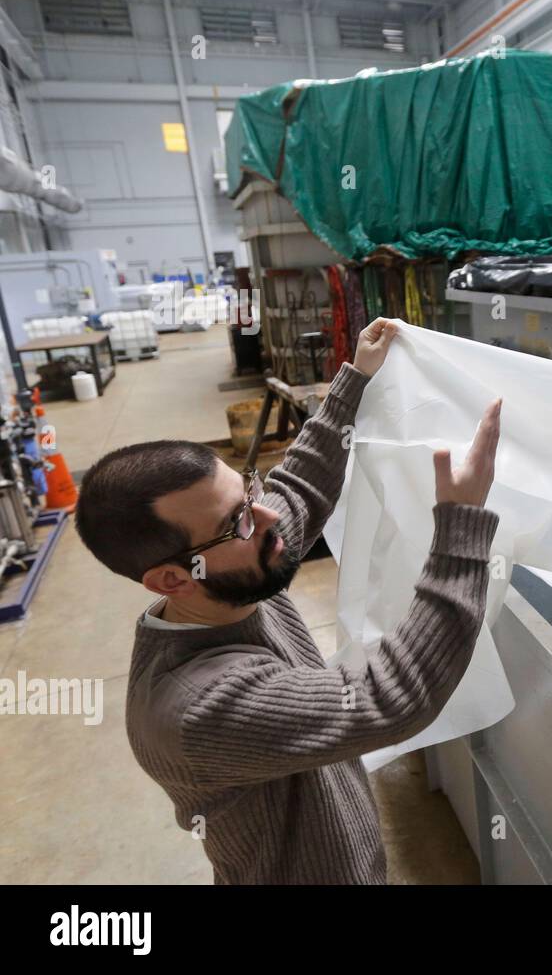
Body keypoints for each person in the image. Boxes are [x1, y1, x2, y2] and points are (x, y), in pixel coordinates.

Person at [75, 317, 503, 884]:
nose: (268, 517)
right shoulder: (196, 711)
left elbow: (297, 490)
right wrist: (461, 527)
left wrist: (354, 380)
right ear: (171, 580)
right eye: (237, 521)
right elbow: (391, 698)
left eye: (247, 489)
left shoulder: (232, 576)